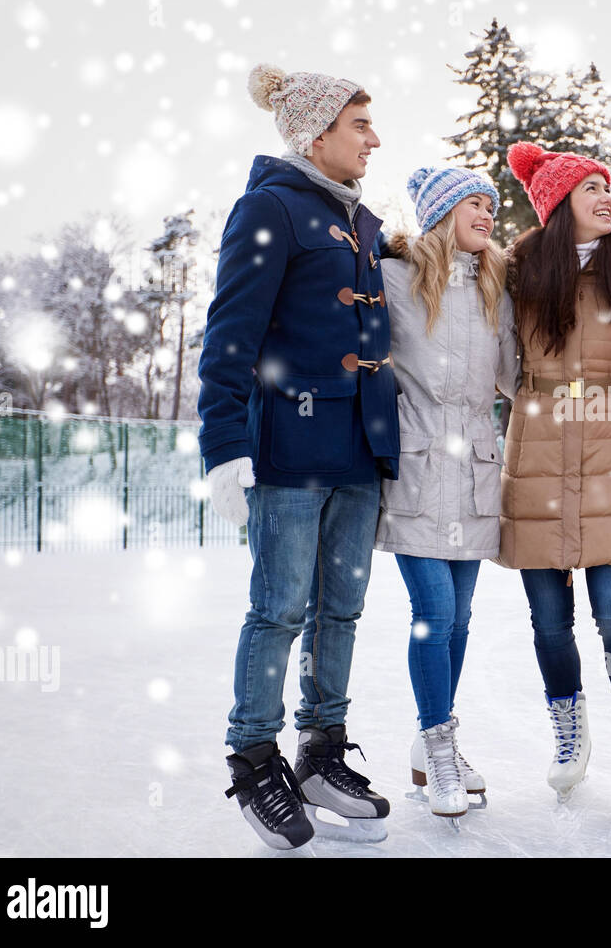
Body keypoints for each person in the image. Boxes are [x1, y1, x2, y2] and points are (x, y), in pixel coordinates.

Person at [198, 63, 399, 849]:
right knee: (279, 610)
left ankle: (321, 751)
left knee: (340, 611)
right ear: (316, 135)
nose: (373, 138)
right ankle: (254, 758)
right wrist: (222, 446)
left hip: (359, 452)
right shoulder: (269, 208)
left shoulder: (366, 223)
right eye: (360, 125)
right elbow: (229, 336)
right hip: (288, 451)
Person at [497, 141, 611, 821]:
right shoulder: (519, 271)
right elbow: (496, 357)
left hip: (610, 456)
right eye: (590, 187)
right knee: (548, 619)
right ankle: (568, 731)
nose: (606, 197)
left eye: (607, 187)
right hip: (535, 456)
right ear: (559, 204)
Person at [374, 165, 518, 821]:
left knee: (458, 619)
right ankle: (440, 748)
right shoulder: (393, 280)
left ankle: (432, 735)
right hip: (418, 470)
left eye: (491, 203)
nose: (488, 212)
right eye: (473, 201)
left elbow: (518, 378)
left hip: (475, 474)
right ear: (440, 215)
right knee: (432, 609)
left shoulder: (496, 289)